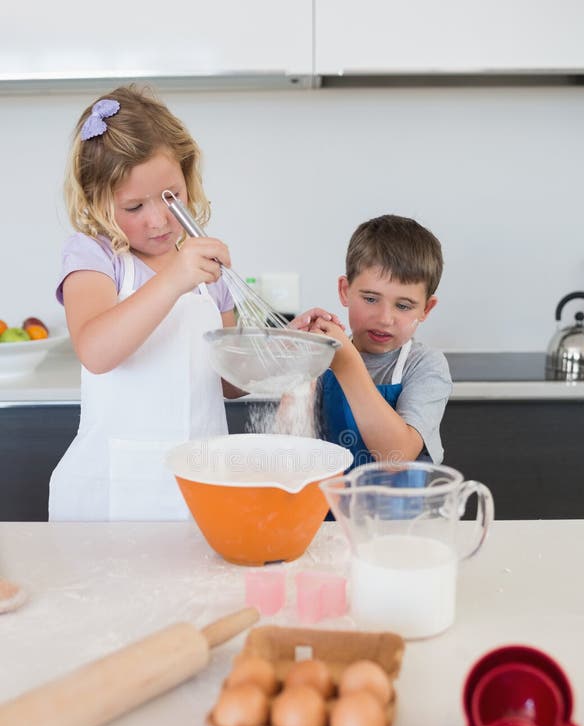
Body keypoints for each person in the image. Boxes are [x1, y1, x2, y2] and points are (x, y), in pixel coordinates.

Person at [49, 84, 334, 521]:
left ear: (188, 177)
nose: (158, 219)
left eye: (170, 197)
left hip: (198, 489)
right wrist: (174, 278)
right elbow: (95, 350)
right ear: (96, 200)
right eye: (134, 206)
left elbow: (225, 381)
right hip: (110, 497)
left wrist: (280, 350)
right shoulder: (95, 255)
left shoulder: (203, 265)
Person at [306, 214, 452, 469]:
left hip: (398, 508)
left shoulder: (425, 365)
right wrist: (296, 360)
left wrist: (347, 364)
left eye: (404, 306)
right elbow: (293, 444)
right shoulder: (320, 356)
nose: (385, 319)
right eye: (371, 299)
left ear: (426, 309)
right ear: (344, 291)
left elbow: (396, 457)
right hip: (327, 506)